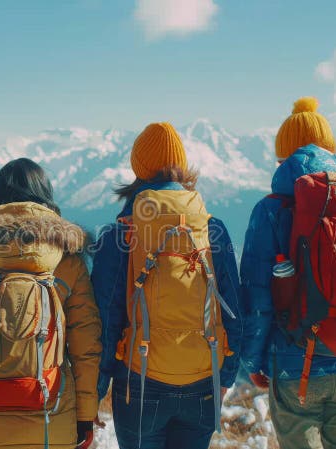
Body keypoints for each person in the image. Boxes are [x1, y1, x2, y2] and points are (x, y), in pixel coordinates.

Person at [240, 97, 336, 449]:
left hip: (295, 361)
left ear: (284, 157)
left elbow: (257, 297)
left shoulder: (270, 209)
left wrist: (253, 360)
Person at [92, 122, 242, 449]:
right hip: (204, 378)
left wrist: (97, 388)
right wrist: (226, 375)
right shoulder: (211, 227)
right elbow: (235, 307)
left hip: (140, 380)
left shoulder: (121, 233)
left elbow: (106, 318)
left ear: (138, 167)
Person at [0, 158, 102, 449]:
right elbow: (86, 349)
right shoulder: (67, 261)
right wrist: (86, 416)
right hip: (54, 418)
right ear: (45, 197)